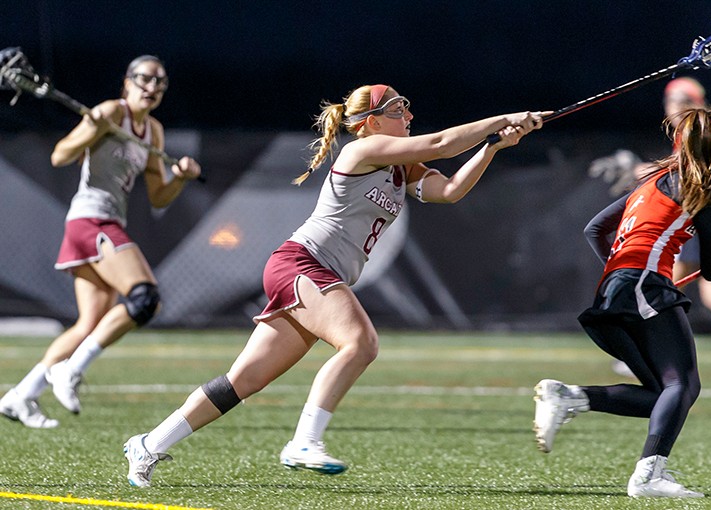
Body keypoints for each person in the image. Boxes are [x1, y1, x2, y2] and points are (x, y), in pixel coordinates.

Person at [122, 84, 545, 487]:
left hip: (313, 271)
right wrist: (502, 118)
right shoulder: (363, 150)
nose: (409, 115)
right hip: (303, 262)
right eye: (398, 109)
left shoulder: (401, 167)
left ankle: (149, 444)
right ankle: (303, 442)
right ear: (371, 122)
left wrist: (492, 147)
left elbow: (449, 190)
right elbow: (441, 144)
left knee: (243, 380)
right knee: (361, 343)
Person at [533, 106, 711, 498]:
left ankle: (569, 396)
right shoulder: (707, 194)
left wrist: (623, 274)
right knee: (683, 385)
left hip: (614, 290)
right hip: (642, 287)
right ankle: (649, 477)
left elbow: (595, 229)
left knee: (662, 395)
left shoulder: (652, 183)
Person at [0, 55, 202, 429]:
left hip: (106, 222)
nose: (152, 87)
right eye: (145, 79)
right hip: (91, 218)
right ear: (127, 81)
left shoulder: (153, 131)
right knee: (145, 299)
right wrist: (91, 129)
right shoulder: (110, 111)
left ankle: (20, 396)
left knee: (88, 324)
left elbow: (159, 196)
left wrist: (180, 177)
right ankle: (71, 369)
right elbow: (60, 155)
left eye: (160, 82)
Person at [610, 77, 711, 382]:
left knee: (667, 286)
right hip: (707, 219)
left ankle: (641, 352)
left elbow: (678, 173)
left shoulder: (696, 132)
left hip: (694, 221)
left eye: (677, 101)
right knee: (708, 292)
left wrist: (634, 168)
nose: (670, 107)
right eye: (670, 101)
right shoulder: (701, 130)